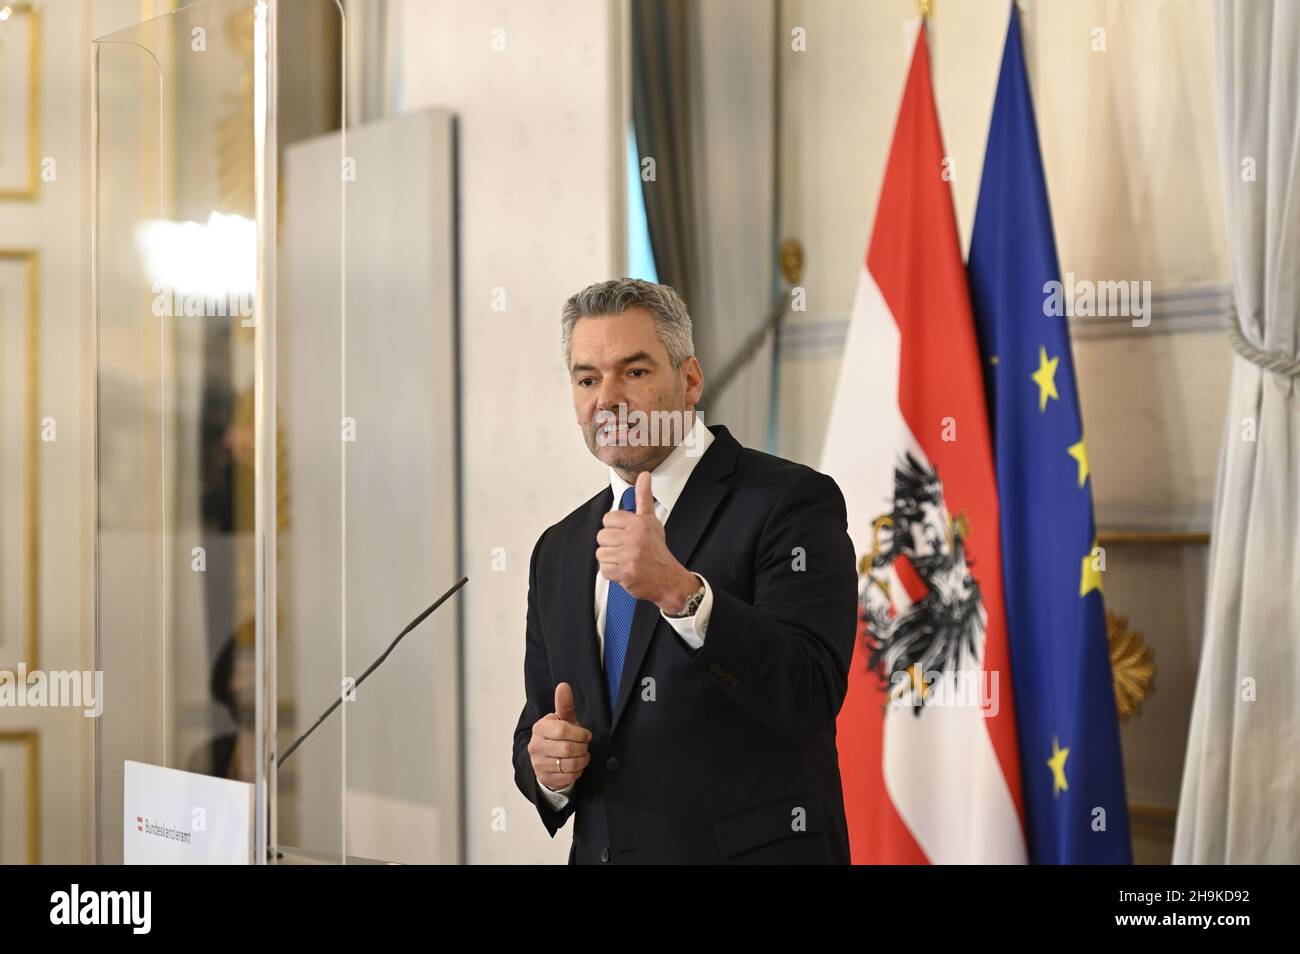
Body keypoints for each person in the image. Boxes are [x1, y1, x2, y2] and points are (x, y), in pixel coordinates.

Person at [512, 278, 858, 863]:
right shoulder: (559, 549)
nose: (608, 398)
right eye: (588, 378)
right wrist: (548, 768)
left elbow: (809, 692)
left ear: (690, 379)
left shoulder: (789, 501)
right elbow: (544, 720)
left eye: (636, 372)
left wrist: (680, 592)